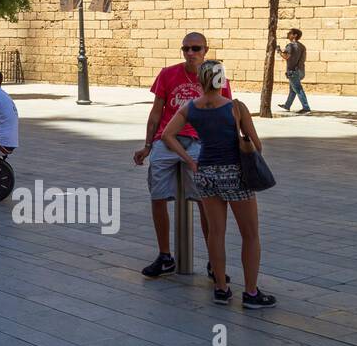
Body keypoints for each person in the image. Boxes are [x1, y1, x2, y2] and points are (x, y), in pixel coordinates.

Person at [161, 60, 274, 308]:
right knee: (250, 235)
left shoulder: (191, 108)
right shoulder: (236, 108)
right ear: (221, 79)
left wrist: (191, 161)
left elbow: (168, 135)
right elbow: (256, 144)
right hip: (236, 175)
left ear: (201, 80)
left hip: (206, 174)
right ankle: (251, 293)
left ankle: (221, 289)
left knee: (216, 233)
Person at [132, 31, 229, 279]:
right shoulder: (168, 74)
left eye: (196, 48)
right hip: (166, 138)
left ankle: (213, 259)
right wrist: (147, 145)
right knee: (157, 195)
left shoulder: (216, 74)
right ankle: (165, 256)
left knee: (204, 201)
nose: (190, 53)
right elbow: (156, 113)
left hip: (200, 140)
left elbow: (225, 112)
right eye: (185, 48)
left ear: (206, 50)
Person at [278, 28, 311, 114]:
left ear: (295, 35)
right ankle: (287, 105)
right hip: (300, 71)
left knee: (298, 89)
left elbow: (286, 56)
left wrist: (278, 51)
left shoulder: (290, 45)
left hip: (293, 71)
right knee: (293, 89)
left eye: (290, 33)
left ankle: (306, 107)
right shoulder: (302, 46)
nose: (288, 34)